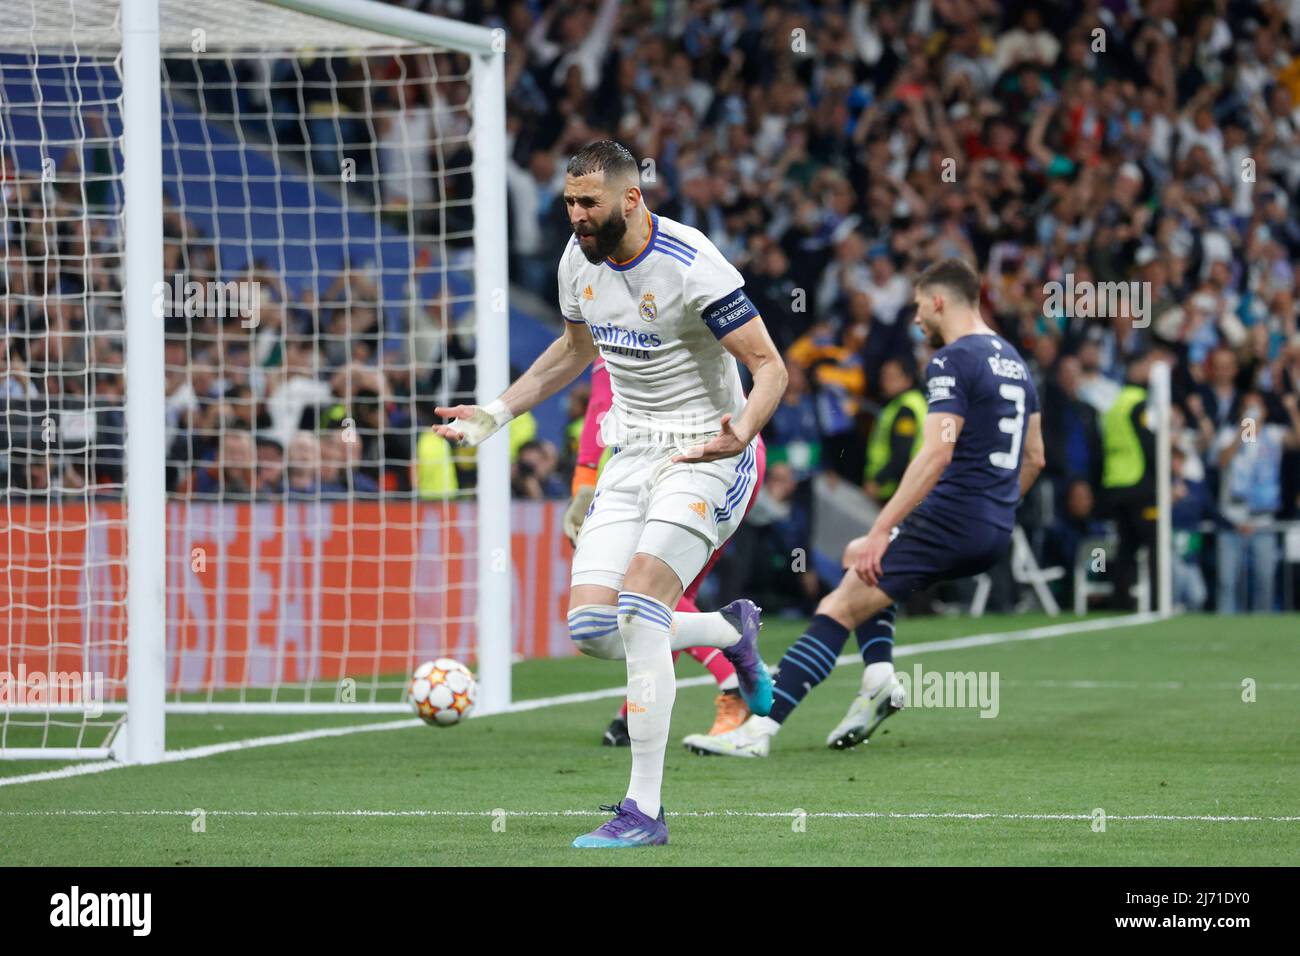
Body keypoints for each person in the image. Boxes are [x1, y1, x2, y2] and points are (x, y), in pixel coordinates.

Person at [434, 141, 786, 848]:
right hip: (631, 453)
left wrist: (741, 428)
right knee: (593, 630)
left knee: (641, 608)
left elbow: (769, 365)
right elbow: (573, 350)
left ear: (631, 198)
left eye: (588, 203)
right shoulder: (576, 262)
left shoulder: (693, 266)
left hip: (704, 449)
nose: (576, 217)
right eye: (569, 203)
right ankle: (728, 632)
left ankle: (644, 811)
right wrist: (495, 414)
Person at [684, 258, 1044, 757]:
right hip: (993, 529)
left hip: (951, 517)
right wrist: (997, 509)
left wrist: (882, 526)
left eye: (919, 308)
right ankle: (877, 677)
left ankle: (758, 732)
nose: (917, 320)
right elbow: (1034, 457)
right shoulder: (1015, 361)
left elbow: (938, 451)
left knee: (839, 604)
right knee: (868, 570)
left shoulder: (952, 360)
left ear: (940, 301)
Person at [564, 355, 768, 746]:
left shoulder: (629, 314)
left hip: (707, 459)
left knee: (648, 593)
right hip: (683, 457)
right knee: (663, 598)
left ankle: (731, 685)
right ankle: (634, 713)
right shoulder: (608, 309)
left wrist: (585, 478)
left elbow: (601, 400)